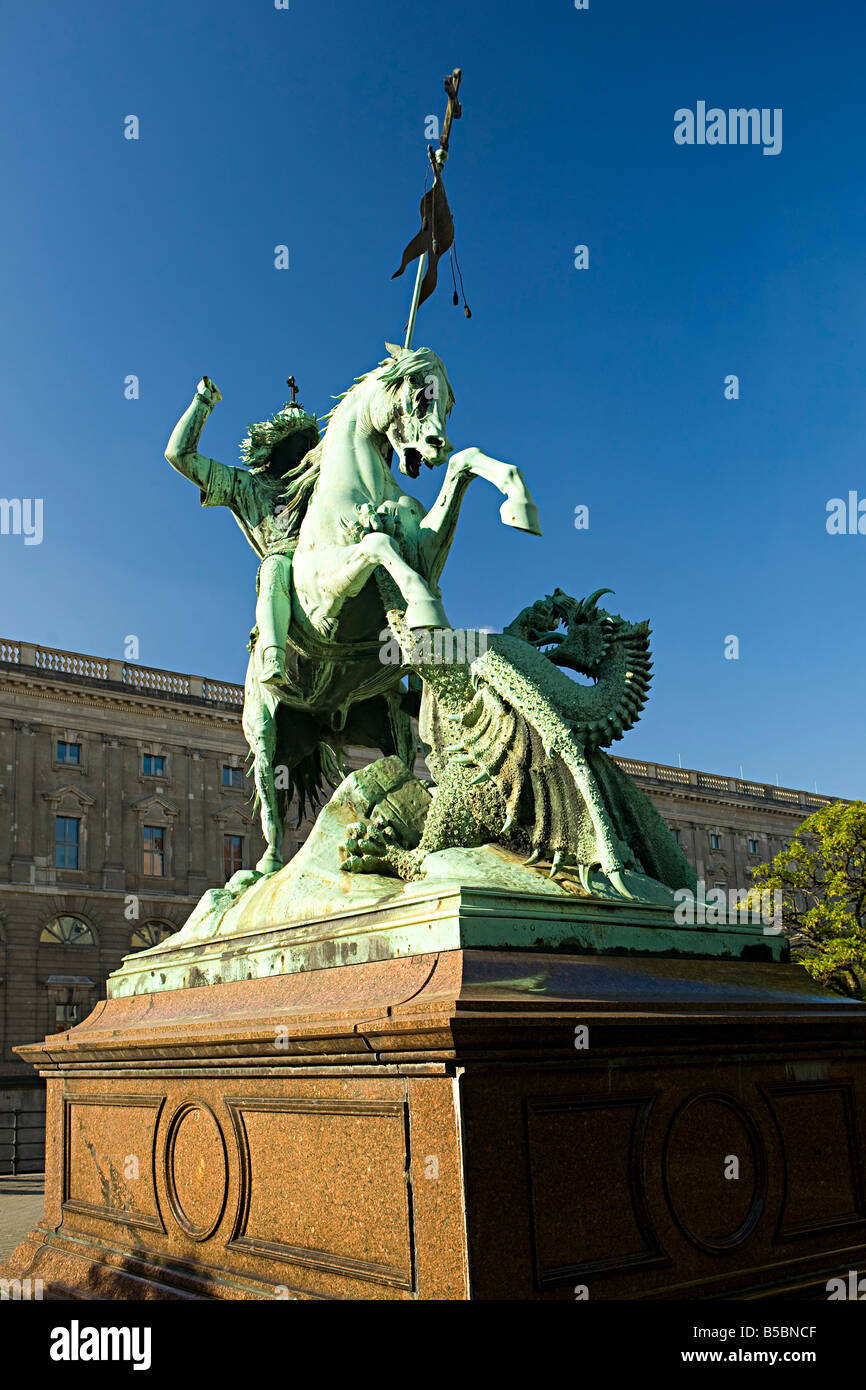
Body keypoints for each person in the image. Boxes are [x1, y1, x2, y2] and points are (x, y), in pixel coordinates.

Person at [165, 376, 320, 687]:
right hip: (281, 562)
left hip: (321, 559)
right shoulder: (243, 484)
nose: (307, 450)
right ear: (276, 445)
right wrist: (202, 403)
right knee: (275, 567)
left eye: (310, 443)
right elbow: (178, 455)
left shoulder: (319, 484)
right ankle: (273, 655)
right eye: (300, 441)